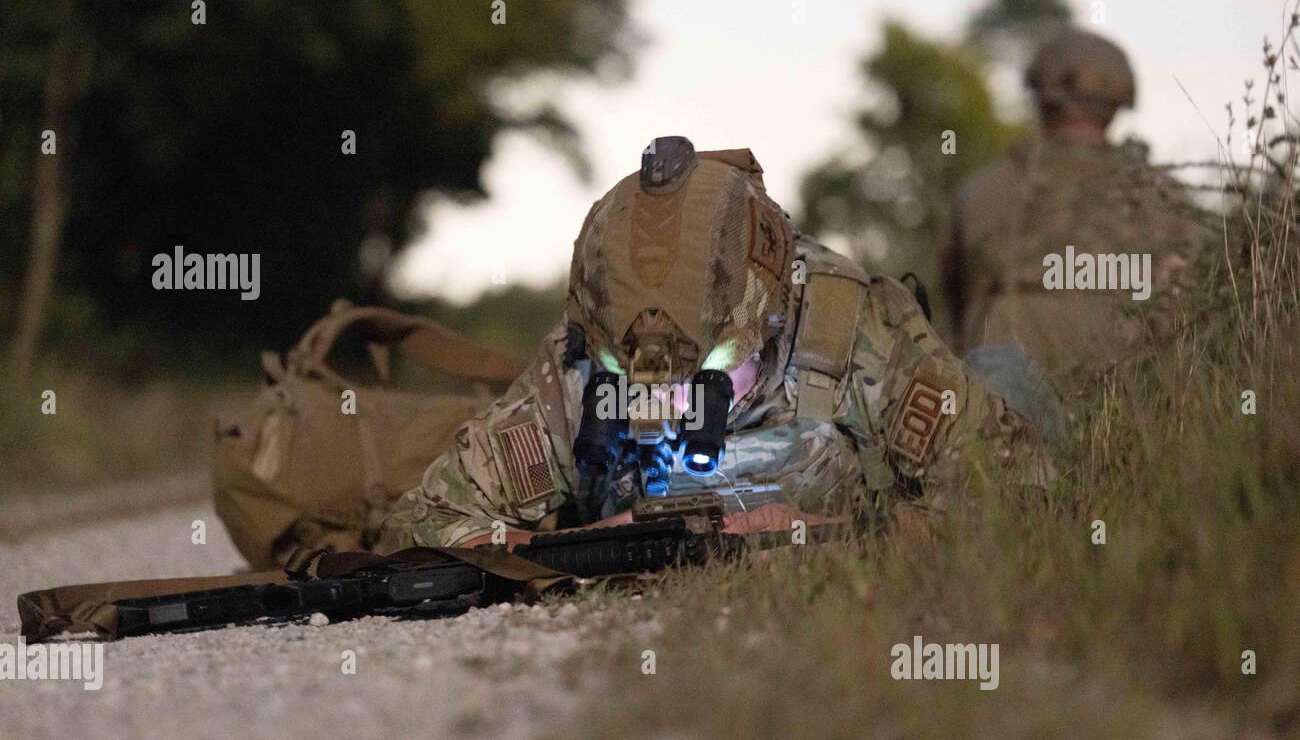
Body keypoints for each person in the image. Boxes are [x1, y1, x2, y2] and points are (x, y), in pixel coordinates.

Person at [383, 137, 1053, 550]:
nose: (669, 398)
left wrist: (816, 536)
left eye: (706, 372)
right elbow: (426, 523)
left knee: (1007, 374)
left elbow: (1017, 488)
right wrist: (589, 547)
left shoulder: (847, 327)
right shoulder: (584, 360)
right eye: (634, 375)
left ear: (773, 320)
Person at [940, 28, 1209, 378]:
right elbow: (1196, 320)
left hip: (996, 415)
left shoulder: (981, 191)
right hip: (1135, 411)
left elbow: (952, 313)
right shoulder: (1166, 199)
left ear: (1041, 95)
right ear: (1119, 100)